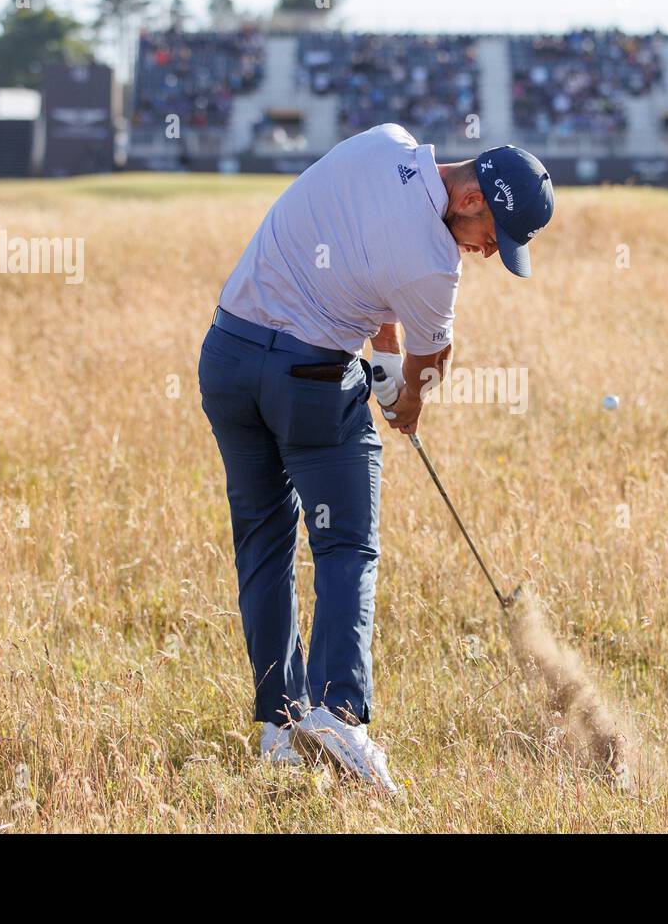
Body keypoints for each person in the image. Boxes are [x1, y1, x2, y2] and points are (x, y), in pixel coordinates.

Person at [199, 123, 553, 791]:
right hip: (305, 379)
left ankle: (279, 727)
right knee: (346, 544)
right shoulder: (434, 265)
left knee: (265, 541)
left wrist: (380, 357)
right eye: (493, 237)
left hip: (226, 360)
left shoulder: (382, 142)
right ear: (473, 195)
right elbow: (428, 364)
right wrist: (402, 402)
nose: (486, 253)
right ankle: (339, 712)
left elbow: (360, 254)